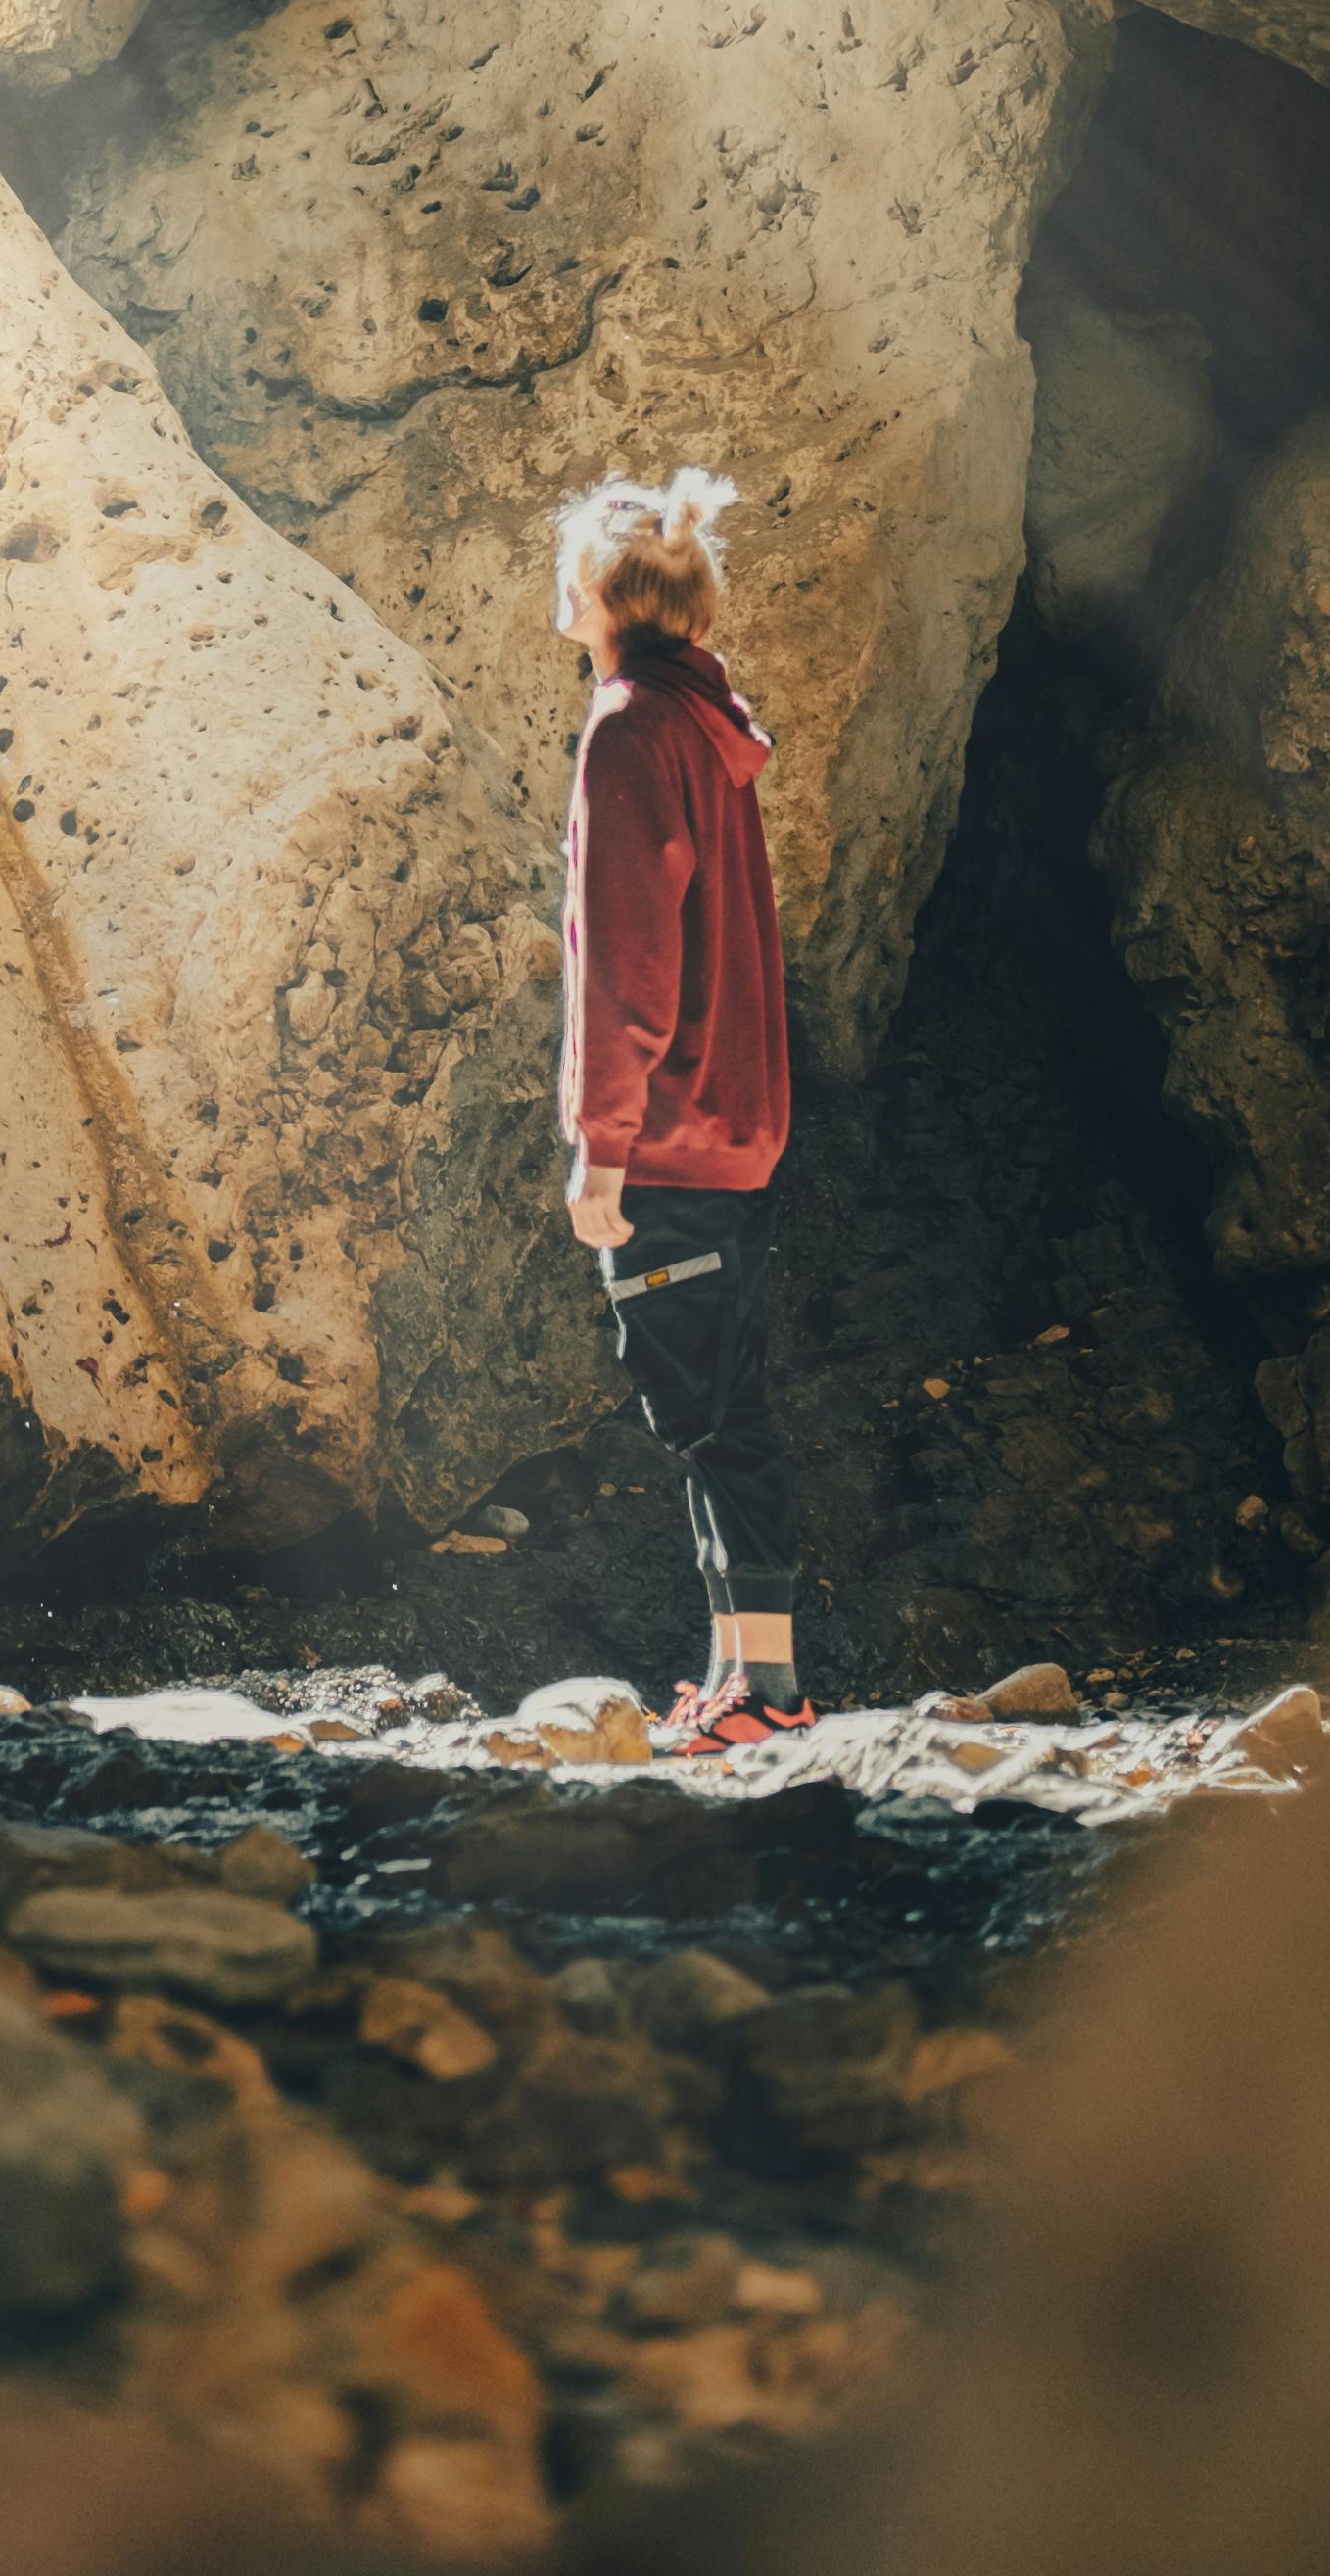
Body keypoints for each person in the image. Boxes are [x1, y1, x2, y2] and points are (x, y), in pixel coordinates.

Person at [554, 467, 815, 1750]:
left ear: (593, 601)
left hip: (670, 1137)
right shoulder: (709, 727)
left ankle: (760, 1692)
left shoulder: (628, 731)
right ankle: (744, 1679)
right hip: (734, 1129)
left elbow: (628, 966)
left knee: (717, 1426)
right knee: (727, 1417)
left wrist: (599, 1150)